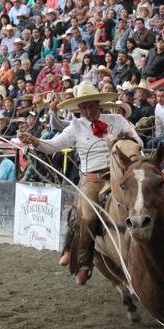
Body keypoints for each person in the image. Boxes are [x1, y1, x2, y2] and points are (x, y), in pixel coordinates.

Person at [19, 82, 141, 285]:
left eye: (91, 106)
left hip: (120, 176)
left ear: (98, 104)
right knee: (88, 216)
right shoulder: (75, 126)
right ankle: (84, 264)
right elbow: (54, 146)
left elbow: (139, 142)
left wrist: (121, 142)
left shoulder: (117, 120)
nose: (88, 111)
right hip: (93, 179)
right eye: (83, 108)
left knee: (147, 199)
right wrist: (35, 141)